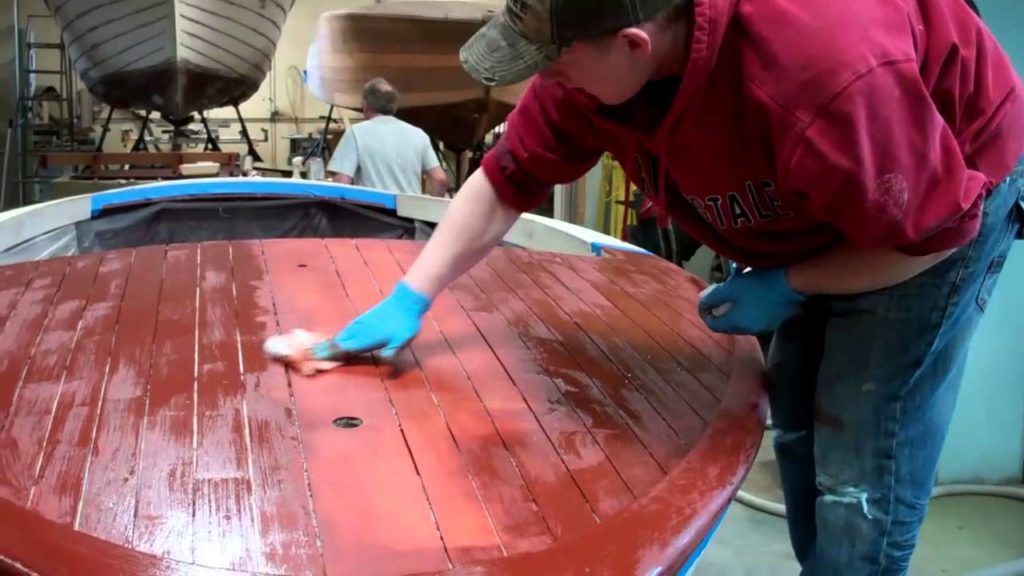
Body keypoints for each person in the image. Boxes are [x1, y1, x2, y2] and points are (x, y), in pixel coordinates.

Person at [308, 0, 1024, 574]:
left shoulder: (823, 70)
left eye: (554, 65)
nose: (545, 82)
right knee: (800, 419)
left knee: (862, 461)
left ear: (634, 44)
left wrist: (795, 280)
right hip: (840, 190)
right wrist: (414, 294)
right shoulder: (591, 61)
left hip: (937, 203)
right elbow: (504, 180)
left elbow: (932, 234)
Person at [327, 77, 449, 196]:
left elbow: (342, 183)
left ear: (365, 105)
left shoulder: (356, 133)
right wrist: (429, 211)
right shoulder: (419, 135)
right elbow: (440, 180)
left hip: (371, 214)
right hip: (409, 214)